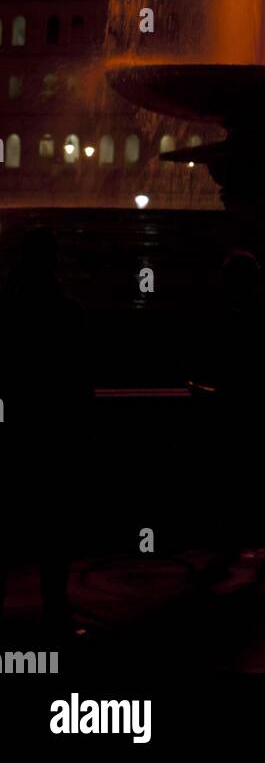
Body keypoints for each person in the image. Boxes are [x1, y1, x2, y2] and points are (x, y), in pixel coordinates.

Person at [0, 227, 93, 633]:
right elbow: (79, 381)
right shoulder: (68, 313)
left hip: (15, 434)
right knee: (55, 531)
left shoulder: (8, 311)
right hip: (55, 437)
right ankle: (56, 611)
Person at [204, 251, 265, 569]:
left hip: (239, 408)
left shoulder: (229, 318)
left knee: (236, 478)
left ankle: (233, 542)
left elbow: (219, 363)